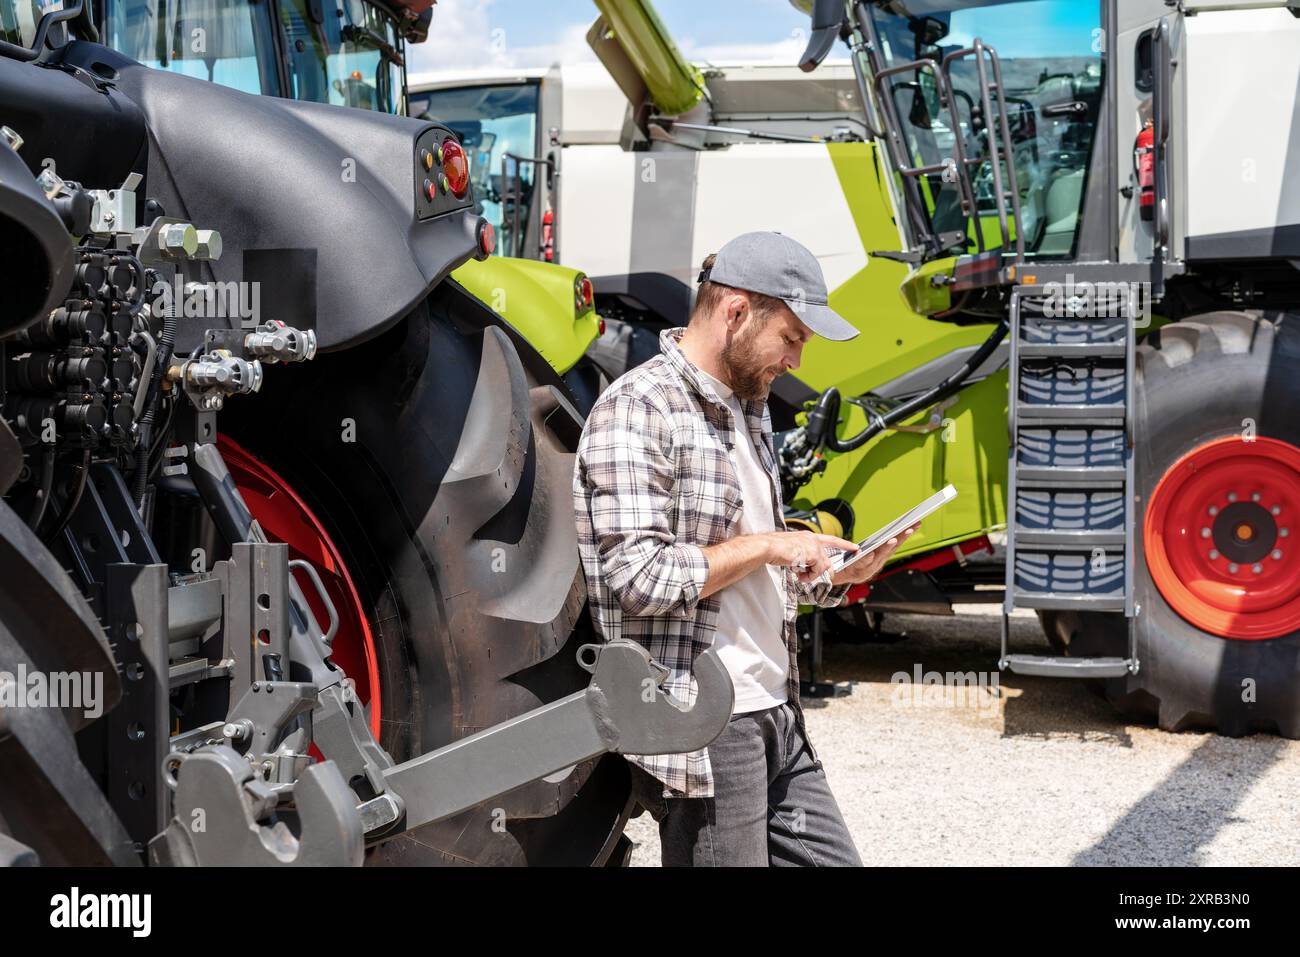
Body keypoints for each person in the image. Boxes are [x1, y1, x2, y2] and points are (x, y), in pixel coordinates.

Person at [572, 231, 914, 866]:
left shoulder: (748, 409)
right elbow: (639, 579)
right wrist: (771, 545)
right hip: (708, 721)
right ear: (735, 311)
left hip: (776, 712)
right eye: (791, 338)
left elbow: (757, 578)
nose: (797, 361)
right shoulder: (638, 410)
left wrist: (837, 571)